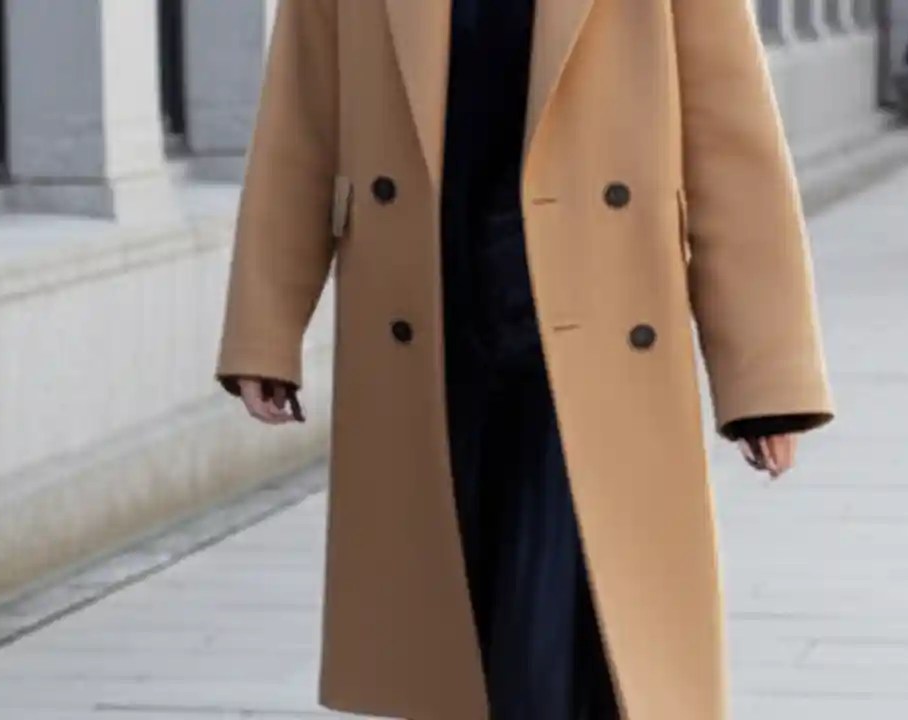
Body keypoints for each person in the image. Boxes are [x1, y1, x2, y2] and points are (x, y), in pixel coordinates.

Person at [214, 1, 835, 718]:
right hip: (427, 325)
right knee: (454, 640)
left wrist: (764, 379)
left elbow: (731, 139)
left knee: (557, 638)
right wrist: (265, 327)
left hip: (593, 328)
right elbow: (302, 116)